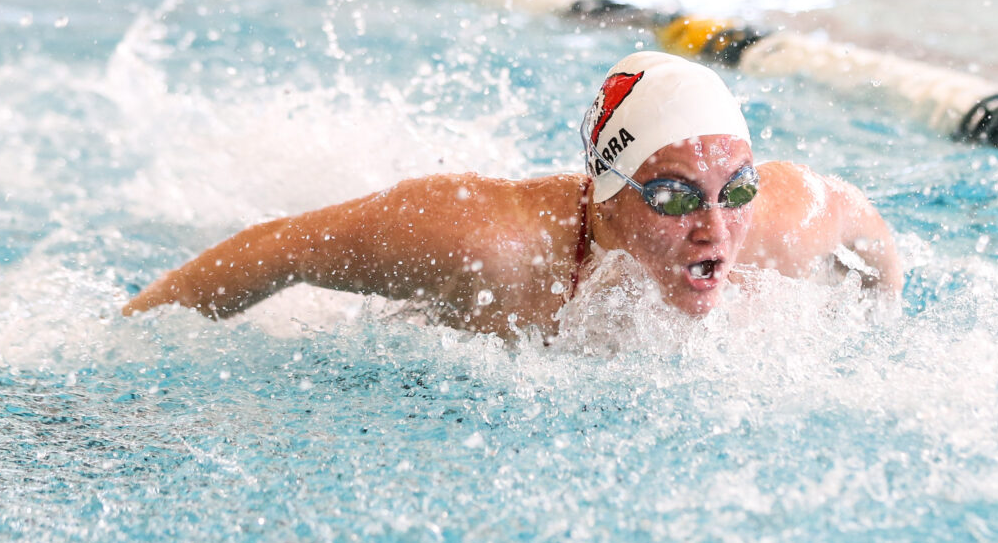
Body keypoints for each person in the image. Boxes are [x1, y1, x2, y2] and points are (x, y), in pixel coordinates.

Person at [121, 51, 901, 336]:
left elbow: (871, 237)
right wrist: (120, 349)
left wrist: (874, 337)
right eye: (672, 197)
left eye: (736, 189)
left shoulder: (780, 222)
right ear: (610, 192)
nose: (714, 230)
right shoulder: (480, 241)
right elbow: (277, 250)